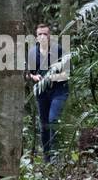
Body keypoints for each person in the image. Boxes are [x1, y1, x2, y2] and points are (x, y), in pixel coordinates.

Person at [27, 23, 68, 162]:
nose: (43, 37)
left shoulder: (59, 50)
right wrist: (34, 77)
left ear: (50, 36)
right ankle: (47, 157)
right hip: (42, 92)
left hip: (59, 91)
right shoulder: (33, 52)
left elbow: (67, 74)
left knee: (53, 120)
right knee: (43, 124)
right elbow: (29, 74)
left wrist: (52, 77)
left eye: (45, 34)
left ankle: (56, 156)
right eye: (40, 34)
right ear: (36, 37)